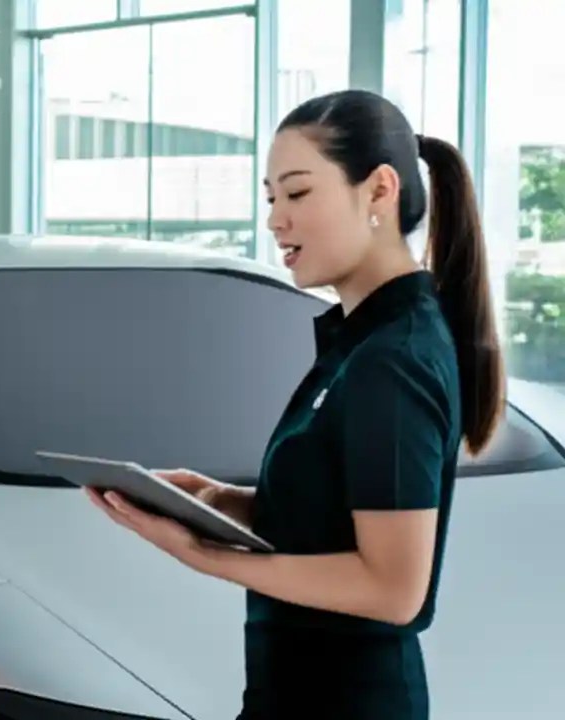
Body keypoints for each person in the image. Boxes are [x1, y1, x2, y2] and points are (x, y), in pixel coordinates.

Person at [88, 89, 504, 720]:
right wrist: (222, 503)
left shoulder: (394, 358)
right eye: (271, 198)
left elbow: (395, 591)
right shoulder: (358, 342)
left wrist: (207, 556)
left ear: (379, 192)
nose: (276, 220)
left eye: (298, 193)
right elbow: (335, 520)